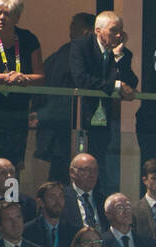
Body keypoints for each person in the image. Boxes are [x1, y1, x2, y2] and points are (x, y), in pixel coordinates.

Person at [67, 12, 136, 196]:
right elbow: (81, 79)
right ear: (98, 31)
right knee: (79, 168)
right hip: (80, 118)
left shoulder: (123, 54)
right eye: (114, 30)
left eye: (121, 31)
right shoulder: (81, 46)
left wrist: (118, 59)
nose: (119, 35)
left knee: (100, 170)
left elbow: (132, 82)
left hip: (104, 121)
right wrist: (116, 85)